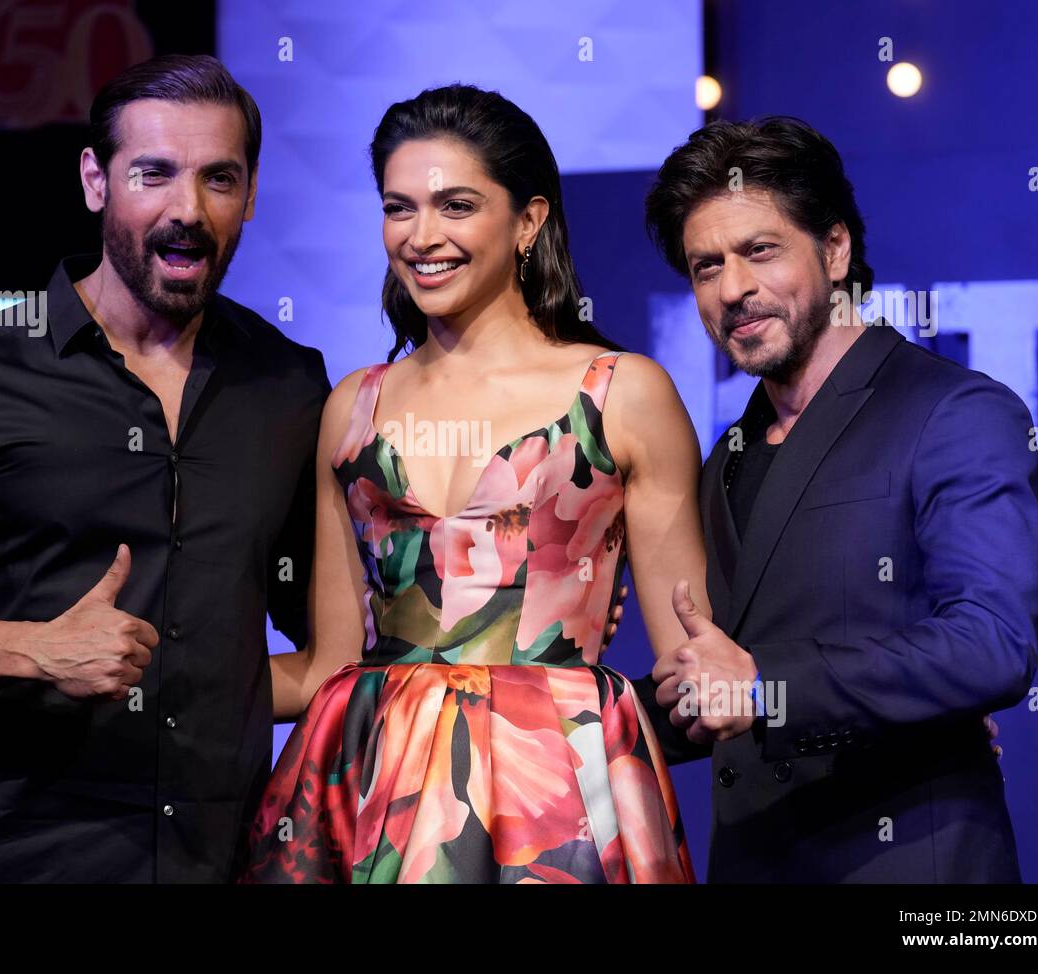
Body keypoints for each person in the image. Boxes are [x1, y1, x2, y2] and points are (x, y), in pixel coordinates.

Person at [0, 55, 330, 882]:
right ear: (95, 180)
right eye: (153, 174)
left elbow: (324, 643)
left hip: (223, 865)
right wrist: (38, 651)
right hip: (14, 865)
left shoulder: (287, 383)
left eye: (218, 179)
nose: (187, 212)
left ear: (251, 192)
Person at [240, 85, 706, 884]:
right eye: (399, 207)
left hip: (557, 795)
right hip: (366, 787)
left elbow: (691, 663)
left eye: (456, 205)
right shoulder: (352, 405)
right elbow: (327, 667)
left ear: (529, 221)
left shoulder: (623, 391)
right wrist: (150, 694)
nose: (423, 236)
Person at [632, 116, 1038, 882]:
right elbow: (716, 689)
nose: (733, 289)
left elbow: (990, 644)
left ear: (834, 249)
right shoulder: (725, 456)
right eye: (705, 266)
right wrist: (534, 712)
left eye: (760, 251)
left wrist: (767, 686)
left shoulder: (956, 412)